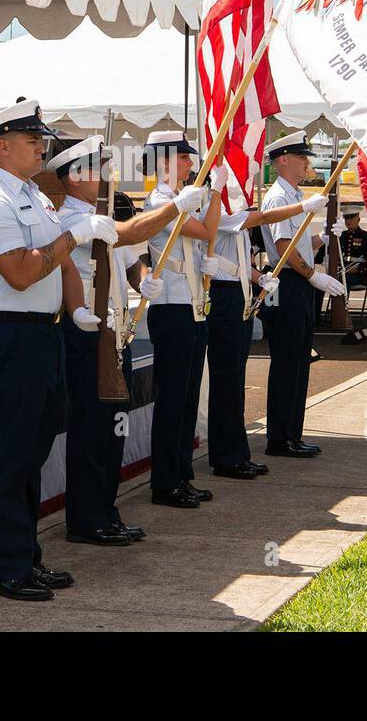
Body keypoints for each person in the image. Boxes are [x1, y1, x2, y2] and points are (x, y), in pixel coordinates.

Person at [0, 100, 116, 601]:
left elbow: (59, 262)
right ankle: (4, 567)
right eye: (32, 142)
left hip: (43, 335)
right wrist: (73, 236)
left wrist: (74, 310)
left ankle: (26, 556)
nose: (41, 148)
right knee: (10, 455)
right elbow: (23, 271)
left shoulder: (32, 194)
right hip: (10, 337)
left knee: (32, 453)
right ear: (2, 146)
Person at [48, 136, 205, 545]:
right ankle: (85, 519)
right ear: (76, 177)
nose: (110, 175)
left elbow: (130, 257)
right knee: (91, 427)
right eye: (101, 167)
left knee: (114, 427)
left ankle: (106, 510)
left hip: (118, 331)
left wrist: (143, 280)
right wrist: (177, 205)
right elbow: (132, 230)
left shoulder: (101, 212)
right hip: (88, 333)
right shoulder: (69, 221)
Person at [204, 183, 329, 479]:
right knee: (228, 381)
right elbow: (261, 220)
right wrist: (303, 208)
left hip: (241, 291)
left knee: (236, 381)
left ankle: (238, 453)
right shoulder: (218, 212)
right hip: (224, 295)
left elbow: (238, 260)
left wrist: (259, 278)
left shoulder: (228, 212)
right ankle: (230, 455)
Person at [141, 130, 222, 509]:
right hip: (171, 308)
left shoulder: (178, 199)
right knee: (172, 398)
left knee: (188, 397)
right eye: (185, 158)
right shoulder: (160, 202)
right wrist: (217, 192)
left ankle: (181, 474)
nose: (192, 163)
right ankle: (165, 482)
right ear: (165, 162)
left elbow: (201, 239)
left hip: (190, 306)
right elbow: (207, 230)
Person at [259, 132, 346, 458]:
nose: (307, 162)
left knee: (299, 362)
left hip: (300, 282)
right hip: (288, 283)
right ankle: (280, 438)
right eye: (301, 156)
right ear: (284, 159)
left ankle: (291, 434)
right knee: (287, 362)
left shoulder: (294, 195)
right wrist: (314, 277)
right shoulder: (280, 198)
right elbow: (284, 251)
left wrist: (323, 238)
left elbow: (300, 247)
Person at [335, 207, 367, 288]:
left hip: (360, 275)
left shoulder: (366, 237)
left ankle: (342, 301)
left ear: (358, 219)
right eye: (347, 218)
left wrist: (359, 269)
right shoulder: (341, 236)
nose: (349, 221)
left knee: (343, 280)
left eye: (352, 218)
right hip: (343, 272)